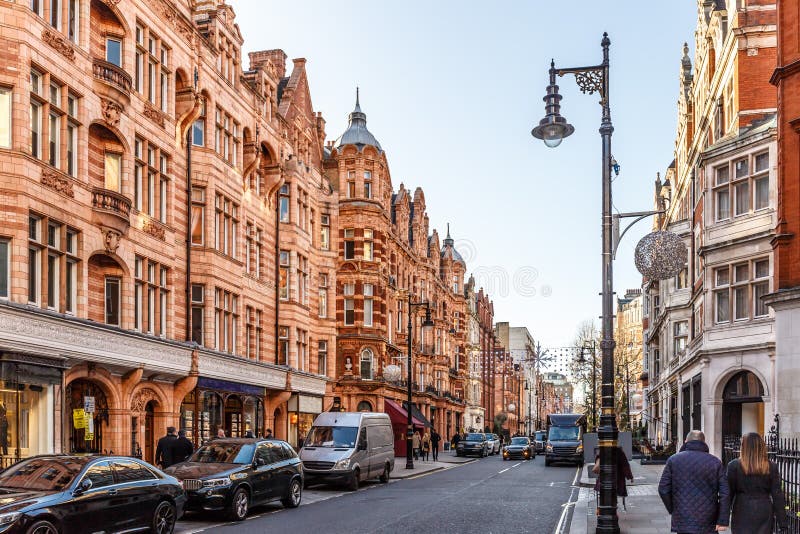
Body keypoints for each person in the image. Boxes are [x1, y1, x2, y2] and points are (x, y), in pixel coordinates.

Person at [658, 430, 730, 534]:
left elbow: (663, 489)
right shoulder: (715, 462)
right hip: (708, 517)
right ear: (704, 442)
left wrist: (673, 509)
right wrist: (722, 520)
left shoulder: (673, 460)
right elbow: (725, 493)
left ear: (686, 441)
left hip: (682, 516)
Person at [726, 433, 788, 534]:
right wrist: (783, 523)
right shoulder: (771, 466)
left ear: (744, 447)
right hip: (764, 509)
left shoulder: (734, 466)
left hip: (742, 509)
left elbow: (728, 494)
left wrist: (722, 519)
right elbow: (777, 495)